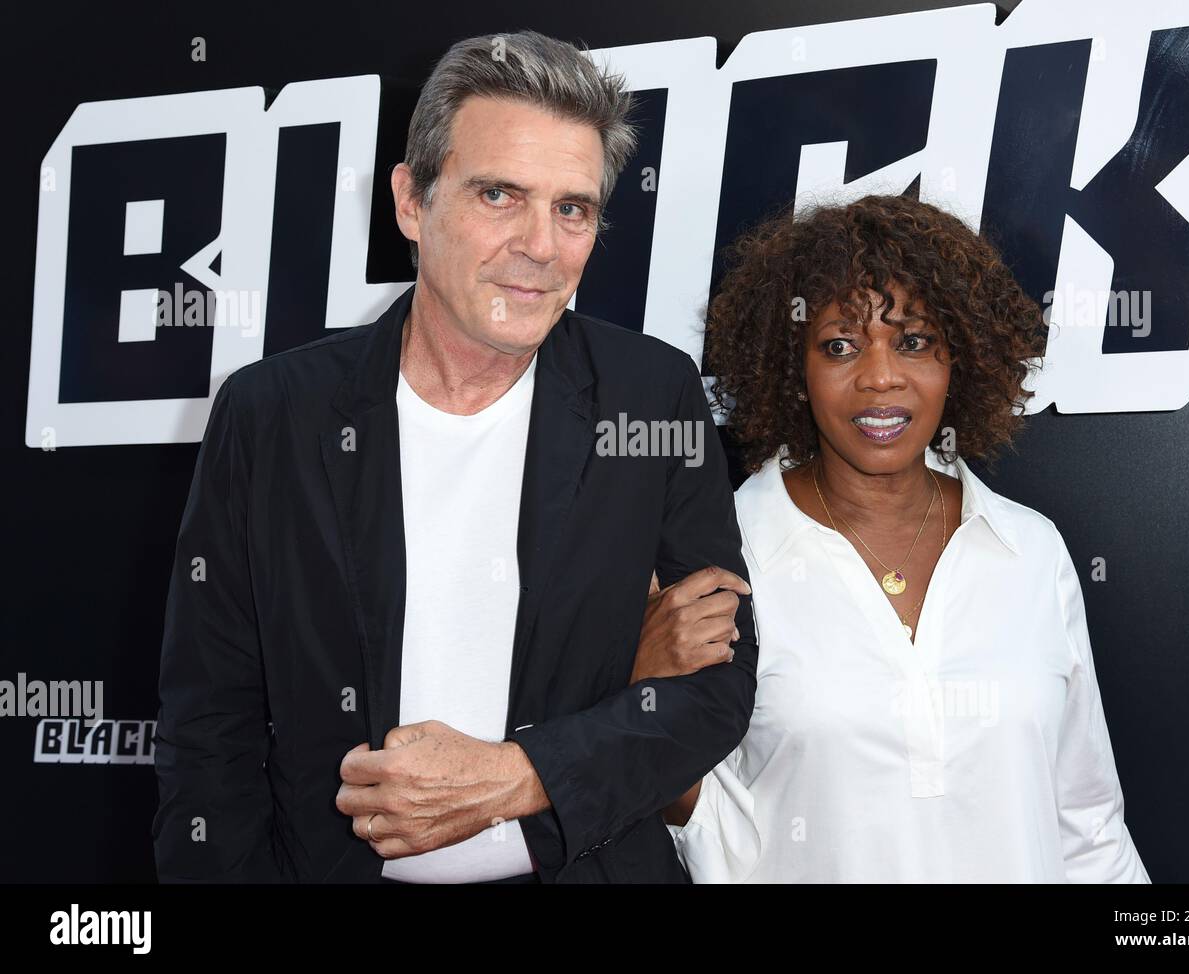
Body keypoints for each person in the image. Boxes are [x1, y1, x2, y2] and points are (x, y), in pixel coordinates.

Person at [152, 29, 756, 884]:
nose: (541, 246)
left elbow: (719, 689)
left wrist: (520, 775)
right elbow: (207, 725)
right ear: (411, 201)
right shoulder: (272, 415)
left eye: (572, 208)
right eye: (500, 195)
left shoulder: (650, 396)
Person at [634, 194, 1150, 883]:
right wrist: (643, 703)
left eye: (913, 342)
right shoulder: (722, 560)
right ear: (795, 368)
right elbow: (701, 825)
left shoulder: (1031, 552)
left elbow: (1088, 831)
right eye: (840, 346)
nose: (879, 377)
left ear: (958, 359)